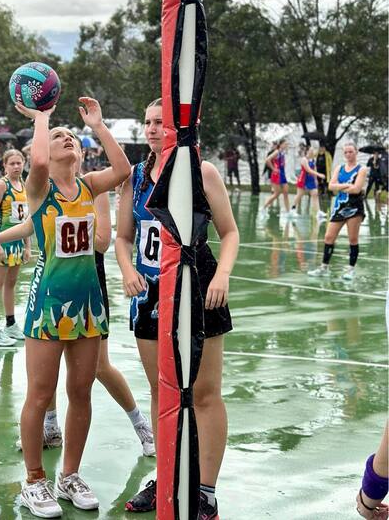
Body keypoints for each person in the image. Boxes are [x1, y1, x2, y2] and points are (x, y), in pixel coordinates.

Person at [115, 98, 239, 519]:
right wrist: (127, 269)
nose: (152, 129)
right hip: (149, 293)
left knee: (203, 395)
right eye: (147, 122)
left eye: (160, 123)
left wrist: (222, 275)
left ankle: (205, 491)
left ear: (179, 128)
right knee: (162, 393)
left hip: (199, 289)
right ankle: (167, 477)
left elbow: (230, 232)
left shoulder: (202, 171)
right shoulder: (135, 178)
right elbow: (123, 239)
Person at [15, 97, 131, 517]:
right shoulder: (39, 188)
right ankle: (34, 481)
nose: (66, 139)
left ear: (81, 155)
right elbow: (41, 163)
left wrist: (98, 126)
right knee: (40, 394)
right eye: (58, 137)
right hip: (48, 305)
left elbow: (123, 171)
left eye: (71, 137)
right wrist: (42, 118)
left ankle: (69, 475)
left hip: (87, 305)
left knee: (81, 392)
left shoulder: (89, 185)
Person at [0, 149, 30, 347]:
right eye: (12, 164)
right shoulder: (1, 185)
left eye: (19, 163)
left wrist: (27, 246)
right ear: (5, 166)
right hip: (2, 242)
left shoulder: (24, 185)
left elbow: (27, 219)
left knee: (11, 284)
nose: (17, 166)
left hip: (18, 242)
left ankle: (10, 324)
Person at [308, 141, 367, 282]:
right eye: (346, 152)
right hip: (339, 207)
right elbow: (330, 186)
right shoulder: (339, 167)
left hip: (354, 207)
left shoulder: (361, 169)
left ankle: (350, 270)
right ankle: (324, 267)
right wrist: (346, 185)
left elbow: (357, 189)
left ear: (356, 152)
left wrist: (339, 186)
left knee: (353, 239)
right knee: (328, 237)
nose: (348, 154)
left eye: (351, 152)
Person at [291, 145, 325, 217]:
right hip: (303, 179)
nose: (312, 151)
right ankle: (292, 210)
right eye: (311, 150)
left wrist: (316, 179)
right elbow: (308, 170)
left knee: (315, 194)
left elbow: (314, 168)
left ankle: (318, 212)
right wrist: (319, 175)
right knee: (299, 195)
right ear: (307, 151)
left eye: (313, 150)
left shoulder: (313, 159)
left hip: (311, 179)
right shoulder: (304, 159)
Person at [261, 139, 291, 215]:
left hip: (282, 174)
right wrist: (273, 168)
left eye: (286, 144)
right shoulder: (277, 152)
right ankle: (264, 208)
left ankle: (288, 212)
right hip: (276, 175)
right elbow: (267, 160)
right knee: (276, 194)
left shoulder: (283, 152)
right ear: (280, 145)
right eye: (285, 144)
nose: (286, 145)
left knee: (286, 193)